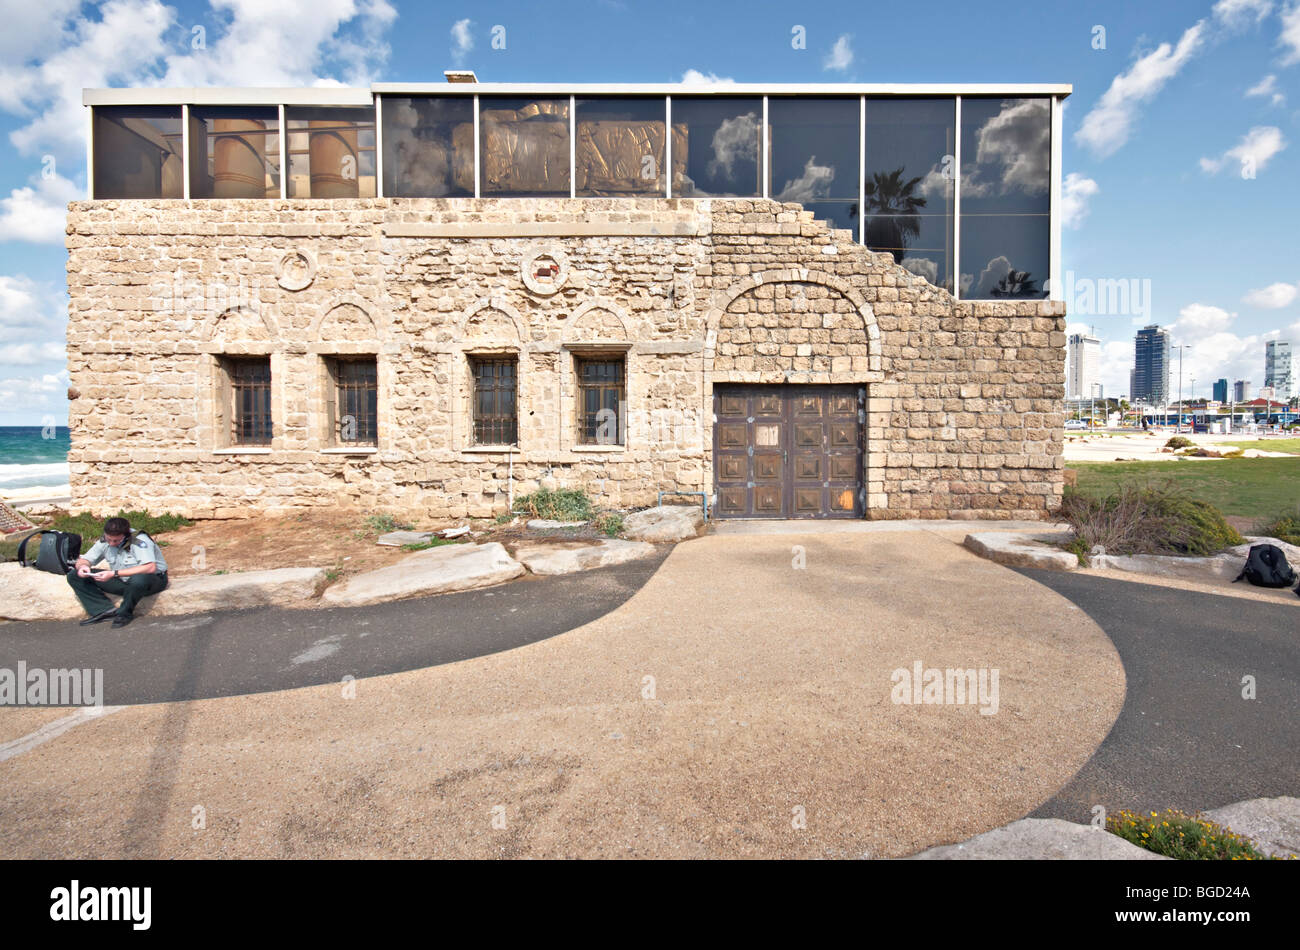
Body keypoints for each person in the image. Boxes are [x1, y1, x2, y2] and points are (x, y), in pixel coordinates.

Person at [67, 516, 169, 628]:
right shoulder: (105, 540)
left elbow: (150, 568)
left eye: (116, 540)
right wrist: (83, 567)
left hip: (151, 581)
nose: (111, 543)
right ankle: (103, 610)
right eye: (108, 539)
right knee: (74, 575)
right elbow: (84, 560)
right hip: (124, 581)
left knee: (138, 579)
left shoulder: (139, 541)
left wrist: (114, 573)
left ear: (125, 535)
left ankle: (124, 613)